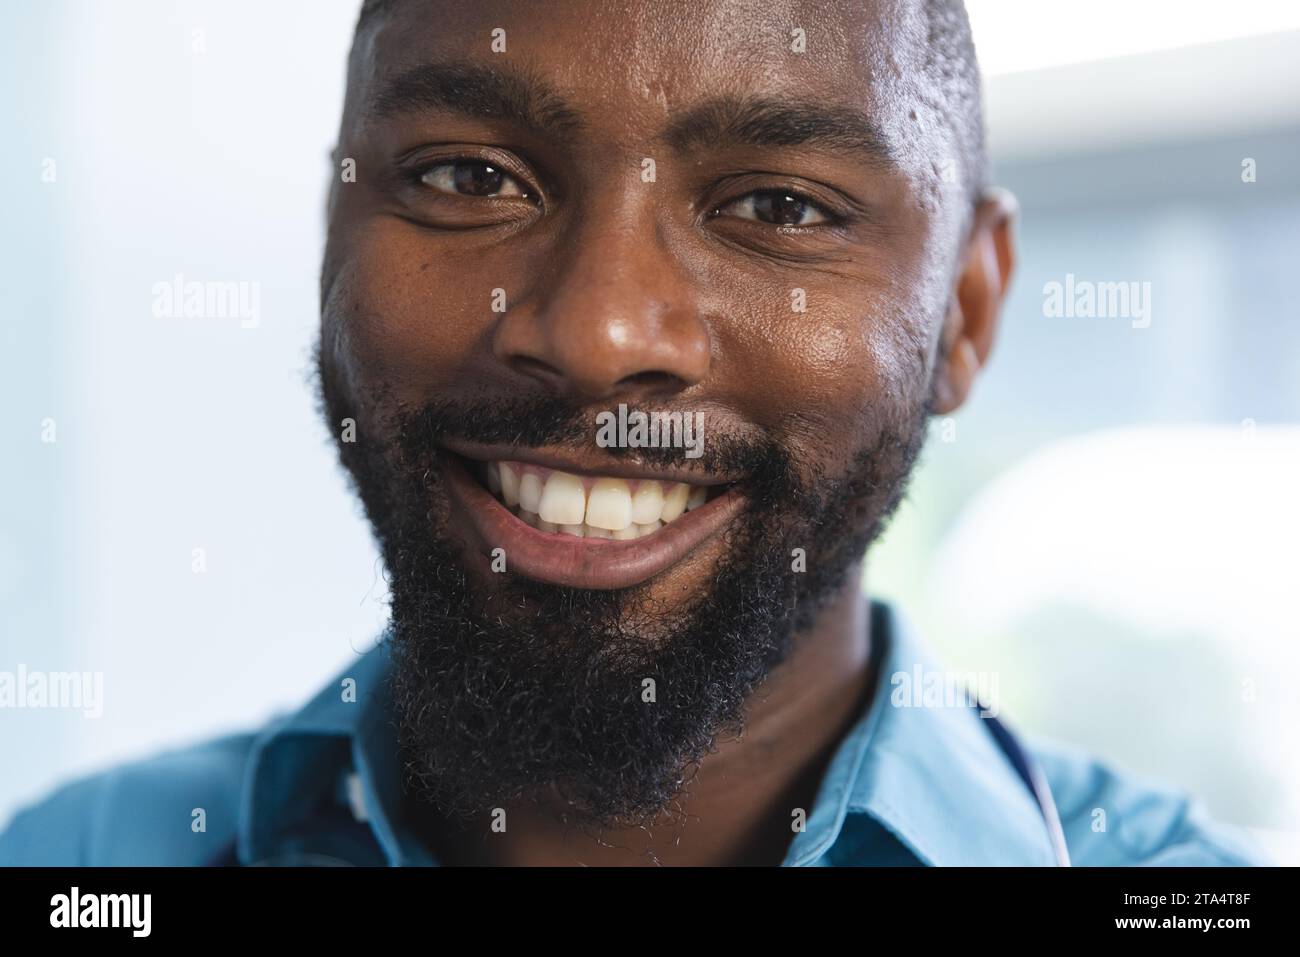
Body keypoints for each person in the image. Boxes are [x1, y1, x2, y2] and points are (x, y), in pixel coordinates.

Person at [0, 0, 1264, 866]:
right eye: (467, 177)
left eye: (777, 204)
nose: (596, 331)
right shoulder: (76, 861)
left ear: (966, 312)